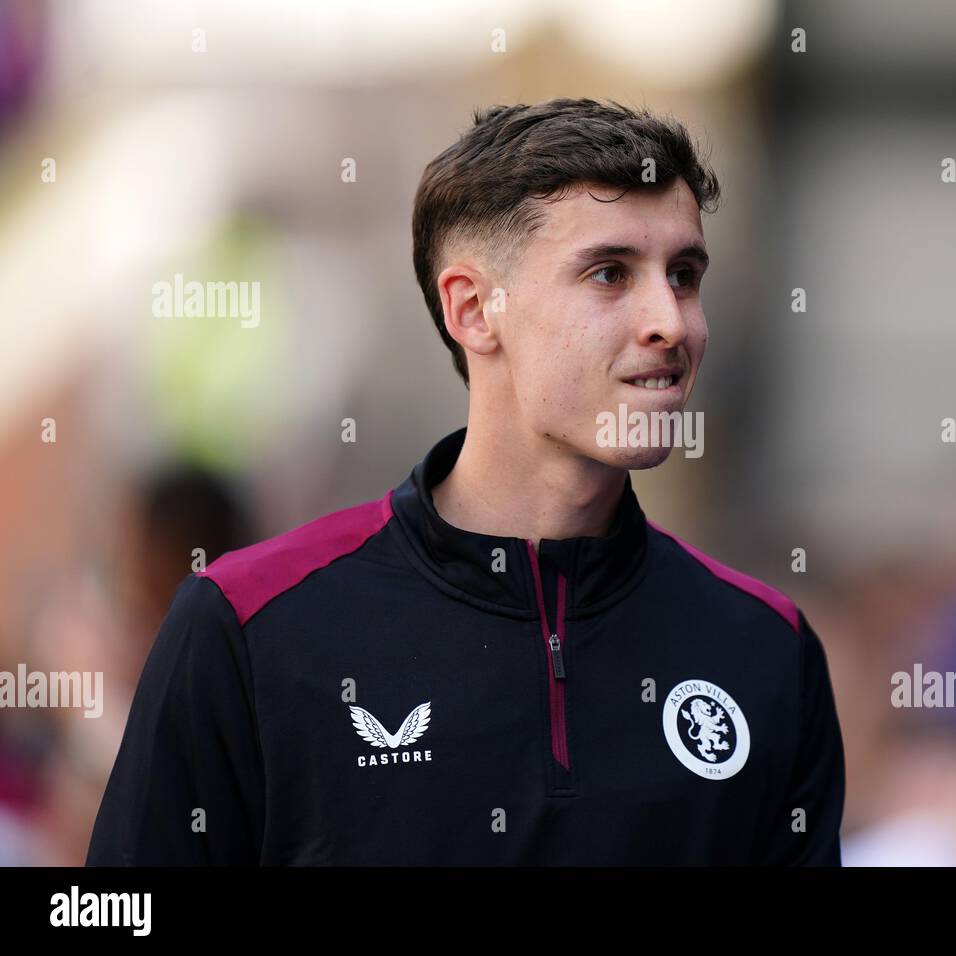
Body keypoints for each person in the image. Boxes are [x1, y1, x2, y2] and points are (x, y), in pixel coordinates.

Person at [85, 97, 846, 866]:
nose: (673, 322)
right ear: (476, 310)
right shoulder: (248, 626)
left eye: (684, 276)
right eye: (611, 273)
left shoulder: (765, 649)